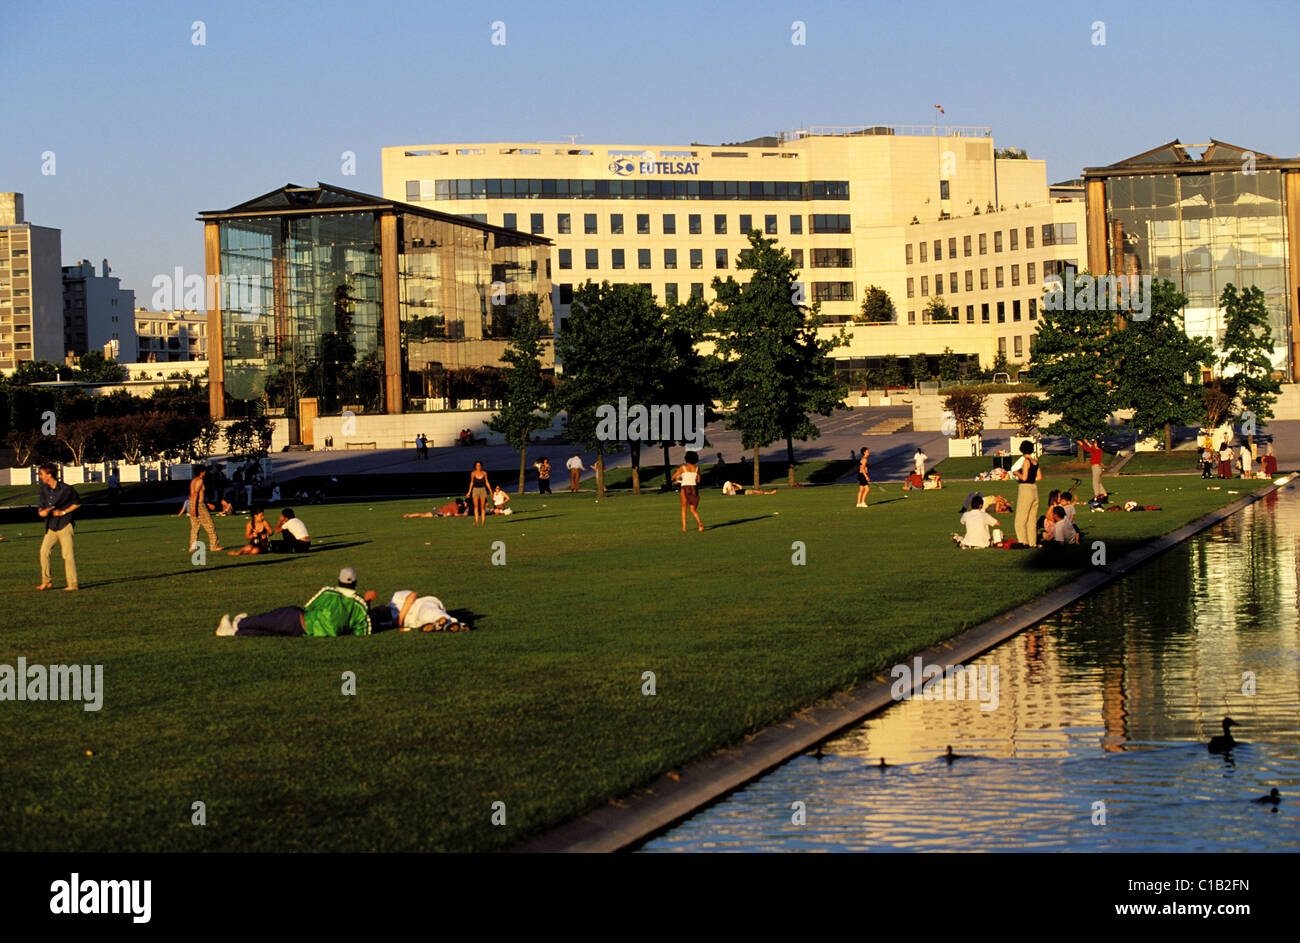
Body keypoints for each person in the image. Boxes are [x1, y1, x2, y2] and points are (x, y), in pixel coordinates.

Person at [217, 567, 376, 637]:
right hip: (304, 633)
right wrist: (367, 602)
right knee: (269, 633)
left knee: (275, 617)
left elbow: (308, 607)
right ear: (355, 583)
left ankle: (241, 623)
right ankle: (233, 632)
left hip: (301, 622)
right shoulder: (360, 604)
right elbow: (363, 631)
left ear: (338, 580)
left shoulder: (329, 592)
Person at [36, 463, 81, 591]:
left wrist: (63, 512)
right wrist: (41, 512)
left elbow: (77, 503)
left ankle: (73, 584)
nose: (40, 477)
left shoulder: (66, 489)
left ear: (49, 475)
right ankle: (46, 581)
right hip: (51, 526)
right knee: (44, 552)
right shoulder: (44, 489)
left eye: (42, 474)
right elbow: (41, 506)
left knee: (67, 555)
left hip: (64, 525)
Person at [388, 589, 469, 633]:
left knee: (427, 611)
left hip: (423, 604)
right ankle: (455, 626)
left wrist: (401, 616)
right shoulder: (388, 622)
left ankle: (445, 621)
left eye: (376, 610)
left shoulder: (394, 599)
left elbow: (412, 595)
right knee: (425, 619)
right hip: (418, 620)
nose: (377, 611)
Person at [187, 465, 225, 553]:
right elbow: (196, 494)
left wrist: (207, 504)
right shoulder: (200, 480)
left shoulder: (193, 481)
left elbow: (193, 495)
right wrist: (195, 508)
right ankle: (213, 546)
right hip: (198, 505)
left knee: (195, 527)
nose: (205, 472)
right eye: (204, 471)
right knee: (210, 525)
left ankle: (192, 547)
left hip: (193, 504)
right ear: (202, 472)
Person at [1010, 440, 1041, 547]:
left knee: (1020, 519)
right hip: (1034, 489)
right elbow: (1039, 477)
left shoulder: (1026, 461)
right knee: (1032, 520)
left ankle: (1023, 542)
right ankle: (1032, 542)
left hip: (1025, 489)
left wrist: (1016, 473)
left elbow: (1024, 477)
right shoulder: (1035, 461)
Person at [672, 450, 704, 532]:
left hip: (685, 488)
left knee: (683, 508)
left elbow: (673, 477)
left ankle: (684, 527)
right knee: (693, 509)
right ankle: (700, 523)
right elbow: (699, 480)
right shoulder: (697, 468)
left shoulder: (683, 468)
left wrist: (678, 480)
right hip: (694, 489)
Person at [466, 461, 492, 526]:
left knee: (483, 507)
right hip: (475, 490)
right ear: (475, 466)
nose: (478, 467)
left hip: (483, 489)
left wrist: (491, 491)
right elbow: (471, 482)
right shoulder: (473, 473)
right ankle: (476, 521)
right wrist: (469, 492)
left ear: (481, 466)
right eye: (477, 465)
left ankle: (483, 522)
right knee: (476, 507)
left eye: (480, 465)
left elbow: (487, 482)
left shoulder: (484, 473)